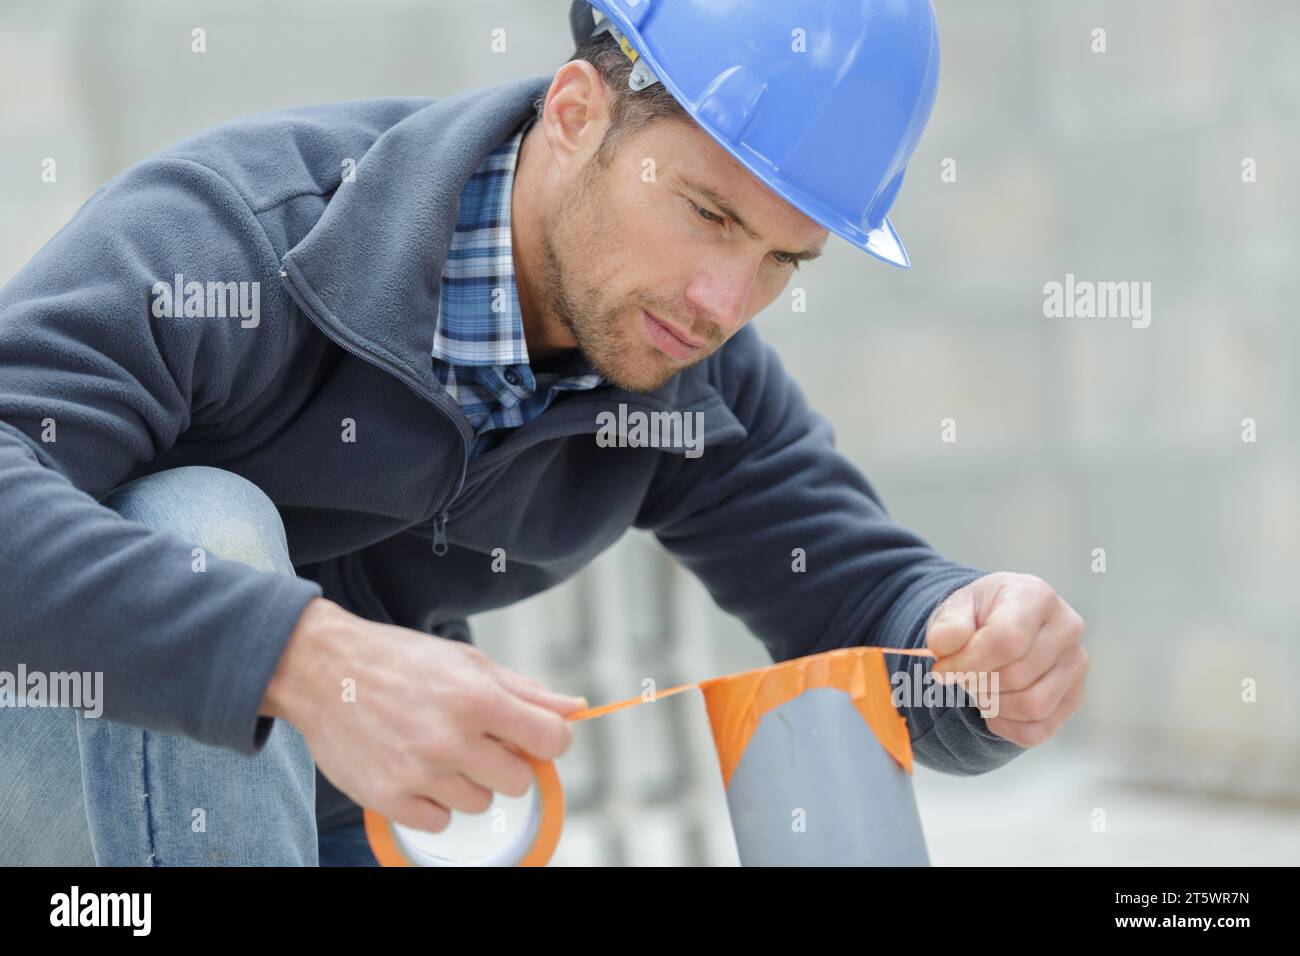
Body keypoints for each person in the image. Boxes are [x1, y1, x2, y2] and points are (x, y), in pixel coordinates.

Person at [0, 0, 1087, 866]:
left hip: (336, 827)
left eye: (780, 260)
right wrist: (303, 656)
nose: (722, 296)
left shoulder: (679, 369)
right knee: (200, 518)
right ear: (574, 113)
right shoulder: (238, 241)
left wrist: (974, 645)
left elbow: (862, 609)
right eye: (708, 213)